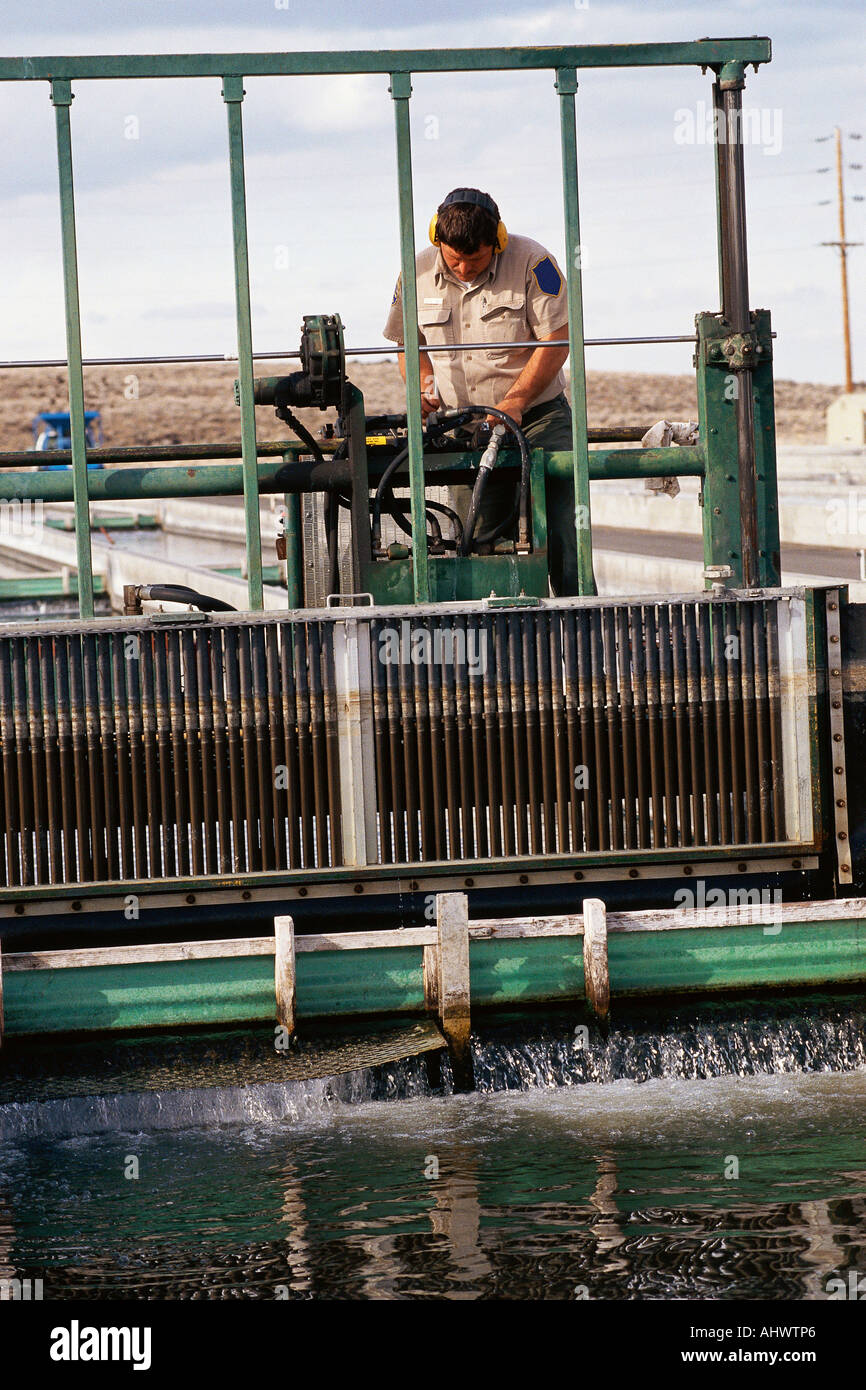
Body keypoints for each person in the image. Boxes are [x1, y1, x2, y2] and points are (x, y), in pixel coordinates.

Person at [383, 187, 578, 595]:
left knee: (564, 537)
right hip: (465, 430)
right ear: (438, 239)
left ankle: (579, 633)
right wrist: (420, 386)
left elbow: (557, 341)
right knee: (477, 541)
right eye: (454, 259)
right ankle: (496, 643)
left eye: (475, 259)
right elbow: (407, 342)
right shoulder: (413, 272)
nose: (465, 269)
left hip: (539, 420)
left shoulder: (534, 264)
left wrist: (517, 400)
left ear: (498, 242)